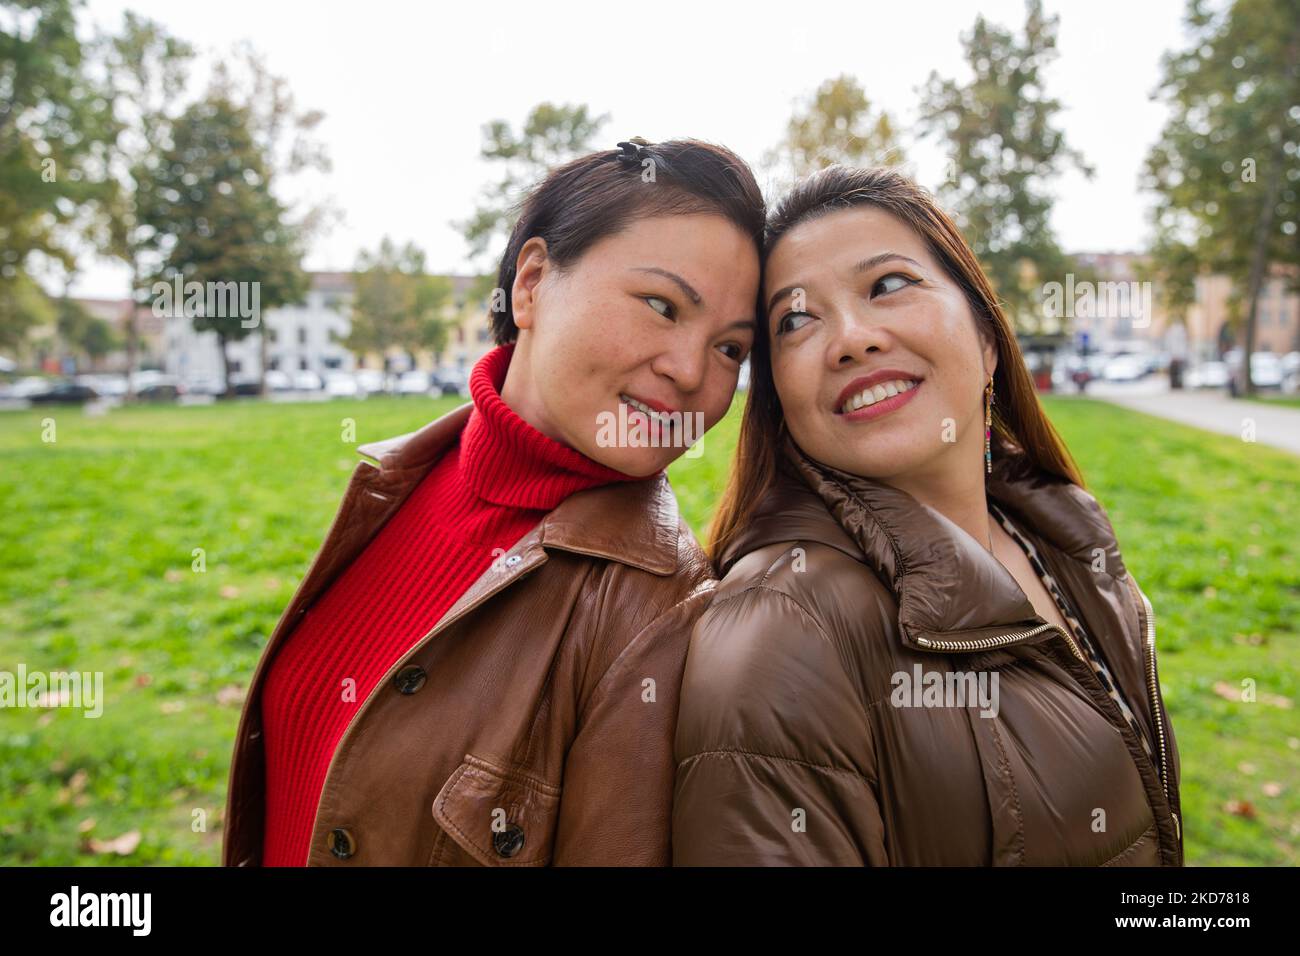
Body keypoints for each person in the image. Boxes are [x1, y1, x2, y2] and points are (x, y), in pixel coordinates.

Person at [222, 138, 764, 866]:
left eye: (732, 348)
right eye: (662, 306)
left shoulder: (653, 614)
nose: (693, 370)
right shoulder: (396, 480)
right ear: (533, 282)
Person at [672, 165, 1183, 866]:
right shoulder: (781, 630)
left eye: (886, 285)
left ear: (986, 335)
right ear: (778, 397)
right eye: (796, 320)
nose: (851, 338)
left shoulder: (1066, 538)